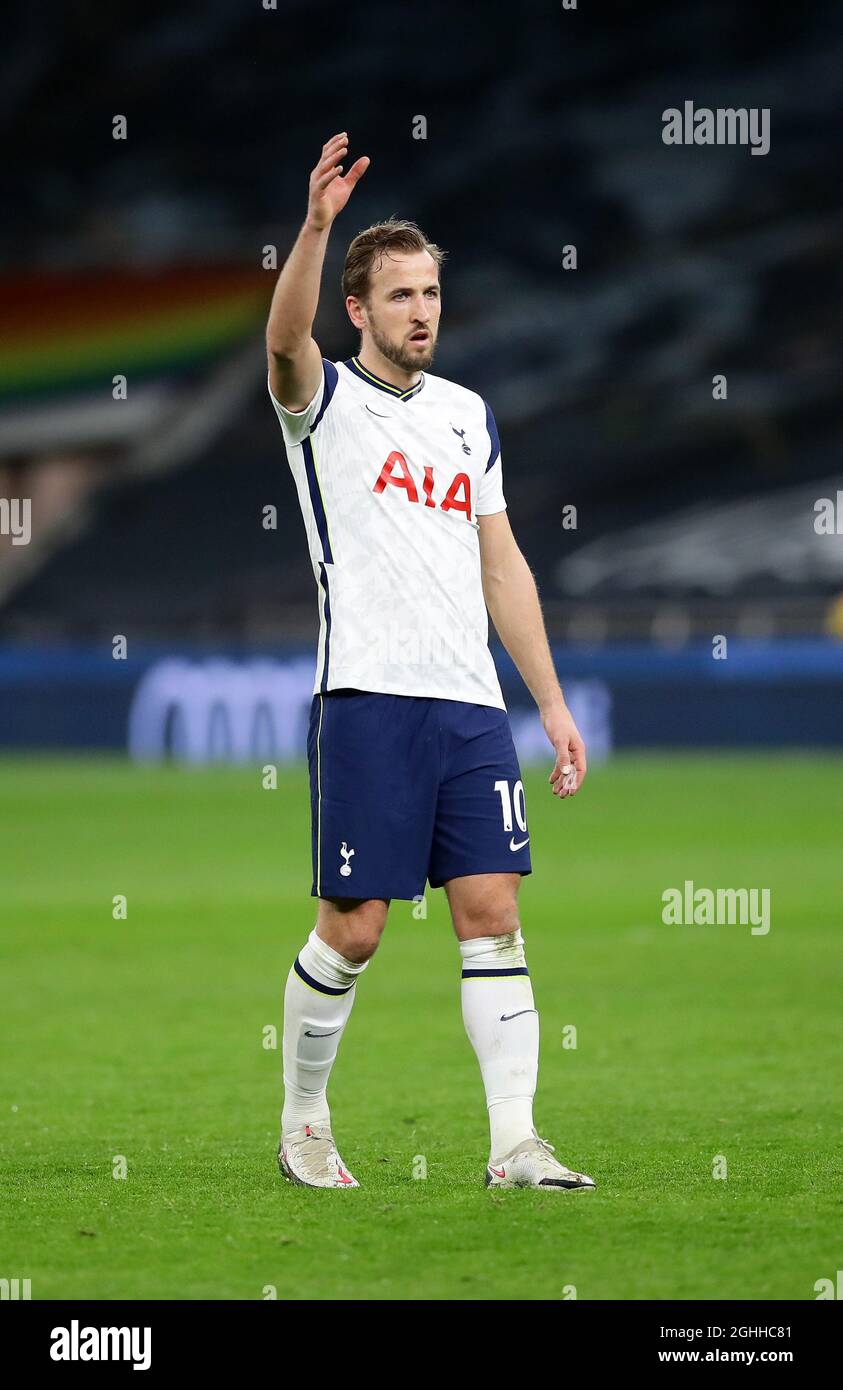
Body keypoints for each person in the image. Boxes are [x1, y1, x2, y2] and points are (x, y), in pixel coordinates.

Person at [265, 131, 595, 1192]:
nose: (422, 311)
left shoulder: (467, 418)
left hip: (468, 708)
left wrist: (549, 703)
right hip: (364, 698)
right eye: (400, 295)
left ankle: (515, 1145)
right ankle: (305, 1120)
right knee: (354, 929)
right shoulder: (321, 403)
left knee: (493, 912)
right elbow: (280, 344)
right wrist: (315, 228)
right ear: (357, 310)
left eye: (432, 292)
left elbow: (503, 566)